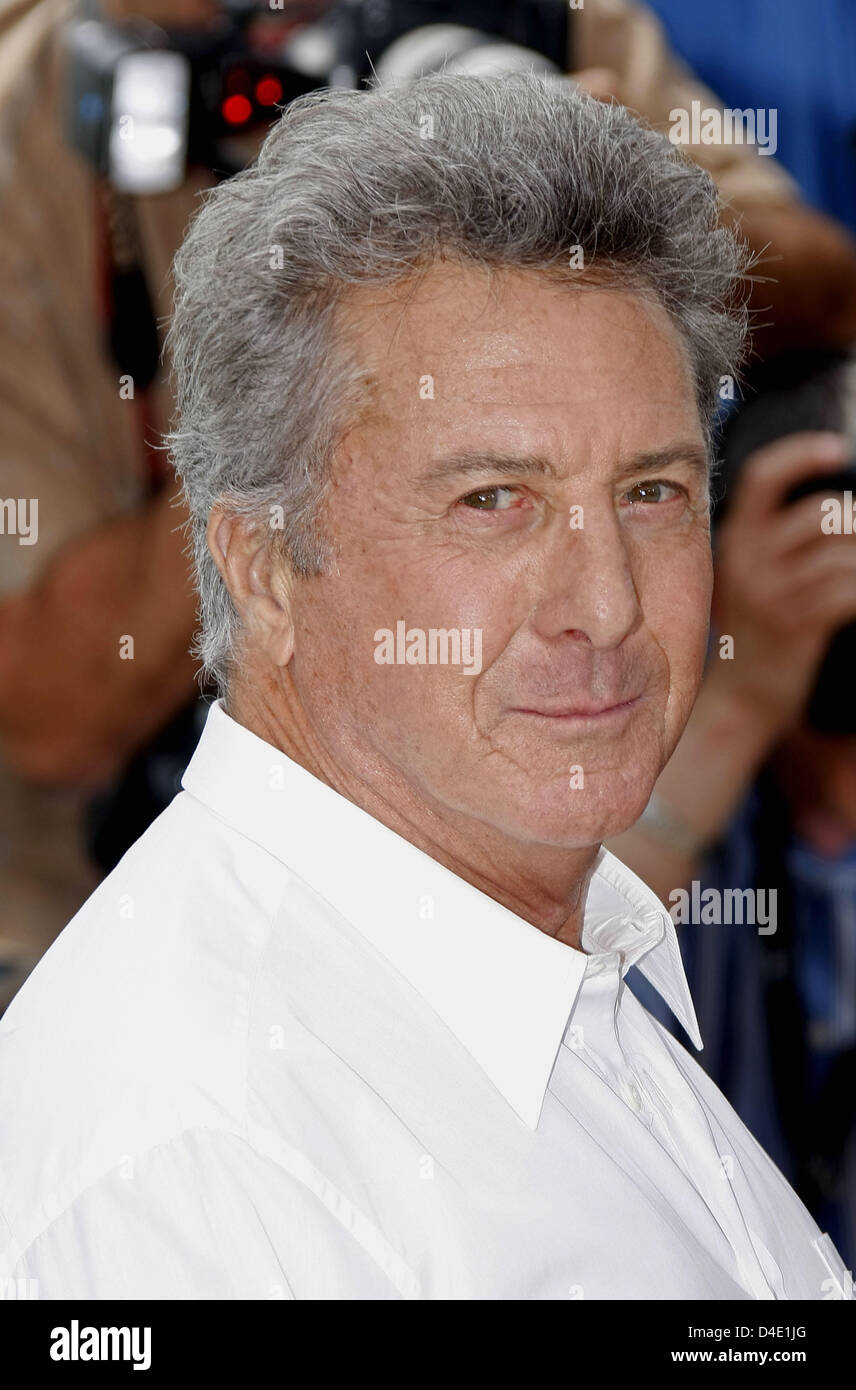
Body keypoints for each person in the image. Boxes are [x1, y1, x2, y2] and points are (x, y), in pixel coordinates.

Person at [0, 71, 851, 1301]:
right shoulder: (194, 1167)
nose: (606, 603)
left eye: (651, 492)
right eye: (491, 501)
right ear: (264, 567)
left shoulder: (552, 970)